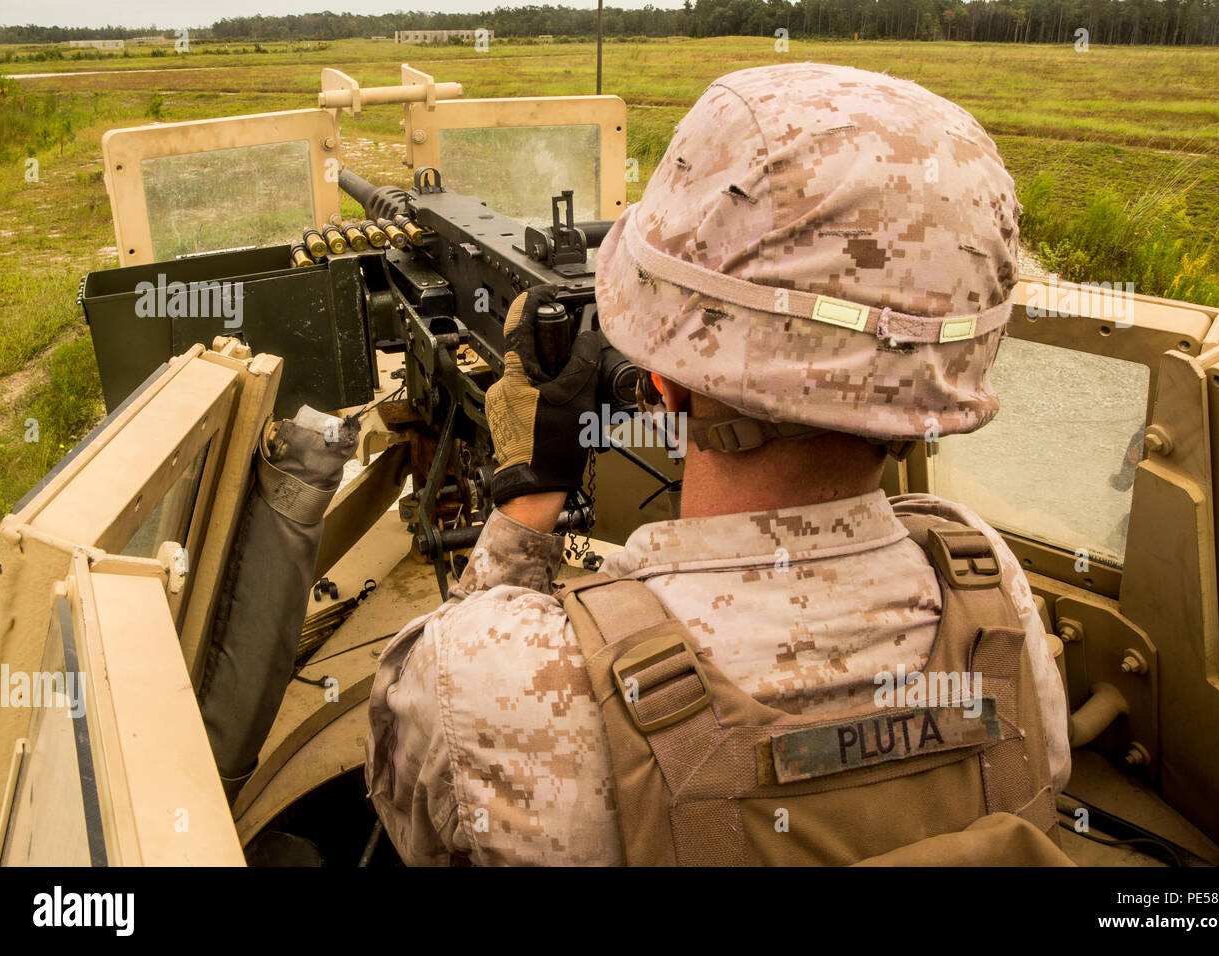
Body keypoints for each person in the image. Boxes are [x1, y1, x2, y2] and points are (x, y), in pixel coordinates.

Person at [366, 62, 1071, 866]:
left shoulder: (495, 674)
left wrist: (527, 502)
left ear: (667, 376)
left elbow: (420, 828)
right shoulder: (986, 585)